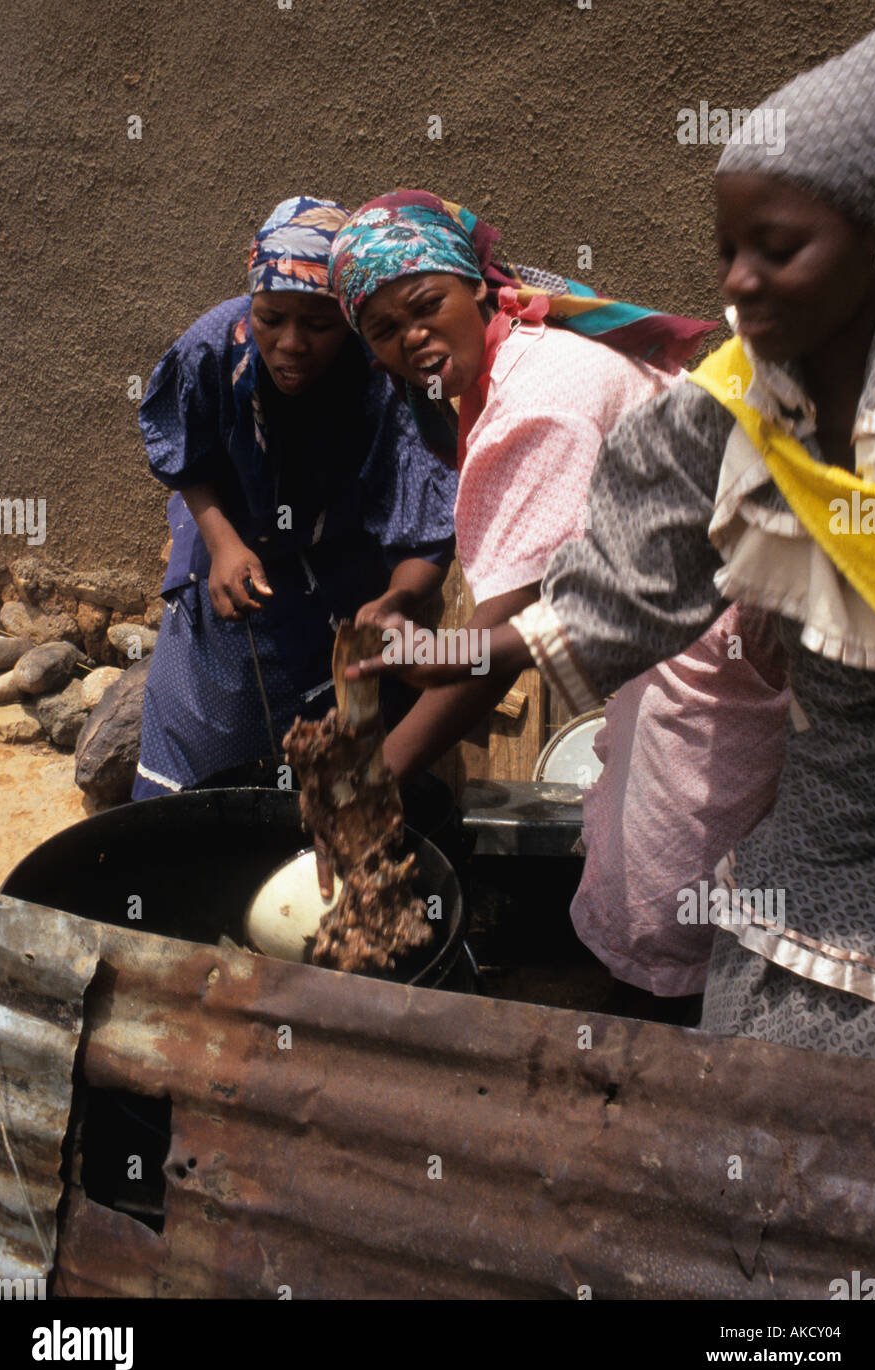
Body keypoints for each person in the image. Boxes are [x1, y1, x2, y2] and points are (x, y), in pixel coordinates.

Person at [353, 29, 875, 1056]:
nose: (740, 282)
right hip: (819, 836)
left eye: (777, 249)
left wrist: (387, 764)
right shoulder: (740, 401)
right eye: (728, 250)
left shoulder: (542, 398)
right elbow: (611, 602)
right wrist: (441, 653)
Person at [327, 191, 790, 995]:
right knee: (656, 844)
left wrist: (370, 790)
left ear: (475, 286)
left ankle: (682, 1047)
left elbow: (496, 655)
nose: (411, 338)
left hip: (714, 640)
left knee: (672, 889)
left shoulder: (541, 401)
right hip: (669, 622)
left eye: (425, 305)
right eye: (383, 330)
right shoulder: (517, 353)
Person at [132, 196, 456, 798]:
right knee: (206, 756)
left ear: (350, 319)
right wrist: (223, 544)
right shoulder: (213, 346)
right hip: (226, 560)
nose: (291, 343)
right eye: (271, 318)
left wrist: (397, 600)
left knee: (337, 756)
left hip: (339, 582)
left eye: (318, 324)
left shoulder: (380, 377)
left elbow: (426, 522)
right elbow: (183, 453)